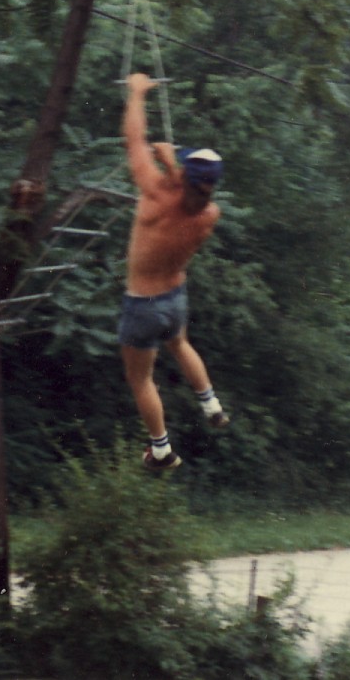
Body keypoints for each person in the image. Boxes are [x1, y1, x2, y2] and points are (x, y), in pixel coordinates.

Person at [117, 72, 230, 471]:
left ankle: (161, 449)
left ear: (184, 177)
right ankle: (210, 403)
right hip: (174, 298)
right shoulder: (210, 213)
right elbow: (188, 196)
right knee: (179, 344)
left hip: (142, 304)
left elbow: (133, 141)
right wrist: (171, 163)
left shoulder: (156, 193)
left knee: (141, 379)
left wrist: (136, 93)